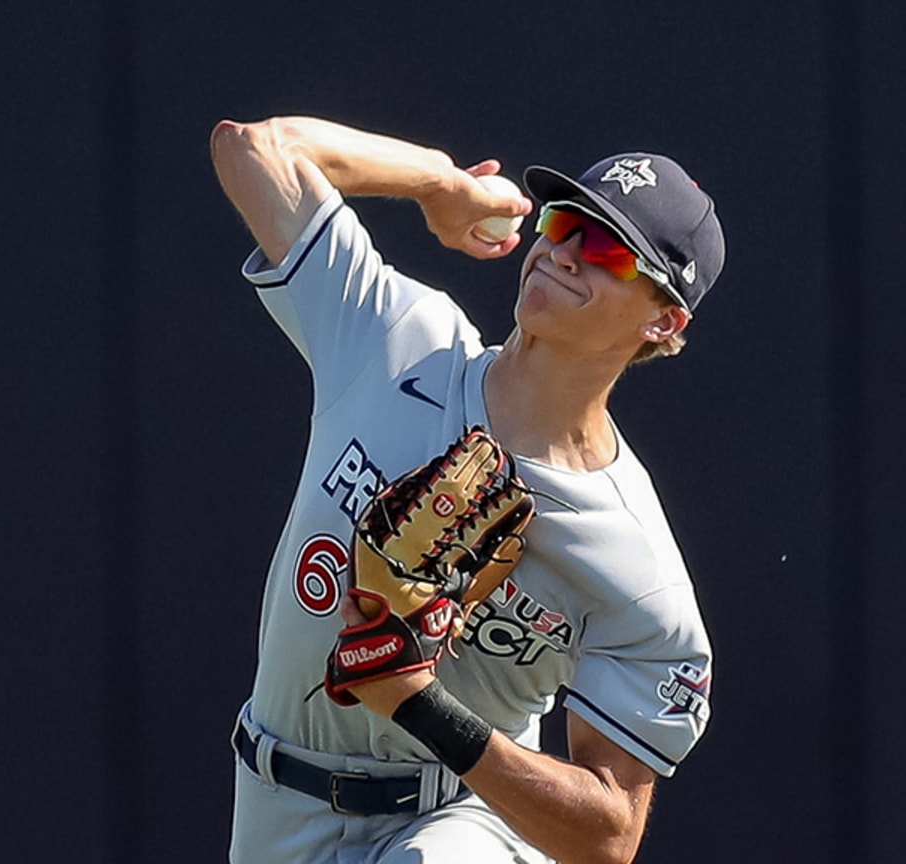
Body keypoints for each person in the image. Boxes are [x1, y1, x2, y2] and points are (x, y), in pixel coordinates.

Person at [210, 114, 725, 864]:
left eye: (610, 248)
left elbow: (610, 836)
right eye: (563, 220)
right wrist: (438, 182)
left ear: (663, 320)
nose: (566, 251)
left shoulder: (635, 564)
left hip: (462, 819)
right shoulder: (399, 339)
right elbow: (255, 150)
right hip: (272, 798)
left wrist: (421, 706)